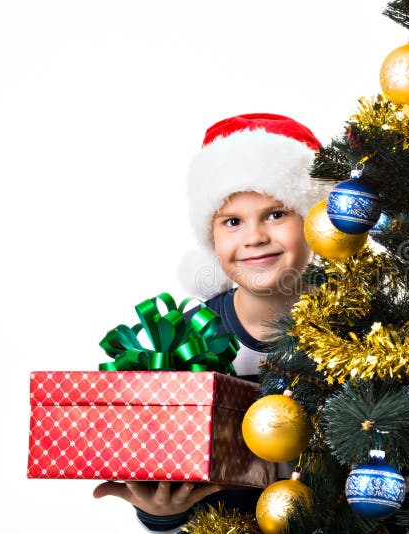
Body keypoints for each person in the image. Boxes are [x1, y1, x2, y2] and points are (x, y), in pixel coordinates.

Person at [93, 113, 328, 532]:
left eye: (276, 214)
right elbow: (166, 461)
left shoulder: (360, 329)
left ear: (313, 221)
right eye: (233, 222)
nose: (254, 237)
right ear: (212, 237)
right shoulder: (186, 339)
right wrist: (160, 513)